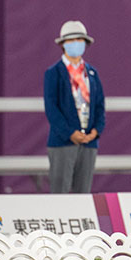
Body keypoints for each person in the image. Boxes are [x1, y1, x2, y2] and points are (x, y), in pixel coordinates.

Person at [43, 20, 106, 193]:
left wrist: (96, 131)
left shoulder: (92, 73)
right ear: (63, 44)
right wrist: (70, 133)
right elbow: (51, 108)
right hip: (63, 142)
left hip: (89, 142)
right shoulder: (53, 72)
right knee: (60, 192)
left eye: (80, 40)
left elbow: (100, 106)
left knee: (83, 194)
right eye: (71, 40)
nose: (76, 44)